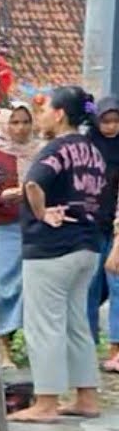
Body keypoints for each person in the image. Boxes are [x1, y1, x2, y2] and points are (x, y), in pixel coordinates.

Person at [12, 86, 106, 422]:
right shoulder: (92, 151)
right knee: (76, 322)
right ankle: (87, 398)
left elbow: (34, 184)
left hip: (51, 249)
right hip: (87, 245)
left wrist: (40, 213)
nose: (41, 116)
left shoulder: (57, 147)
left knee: (44, 325)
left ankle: (46, 402)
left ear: (60, 114)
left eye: (44, 109)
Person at [0, 103, 38, 366]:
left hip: (39, 229)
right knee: (4, 288)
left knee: (31, 288)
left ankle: (23, 345)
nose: (20, 128)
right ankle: (0, 347)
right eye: (14, 122)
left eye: (25, 122)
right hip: (6, 229)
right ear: (4, 125)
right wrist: (1, 199)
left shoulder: (40, 153)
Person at [90, 95, 119, 368]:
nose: (110, 127)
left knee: (116, 286)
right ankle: (86, 344)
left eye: (115, 121)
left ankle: (115, 350)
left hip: (115, 225)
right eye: (105, 121)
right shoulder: (88, 145)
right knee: (90, 287)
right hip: (91, 225)